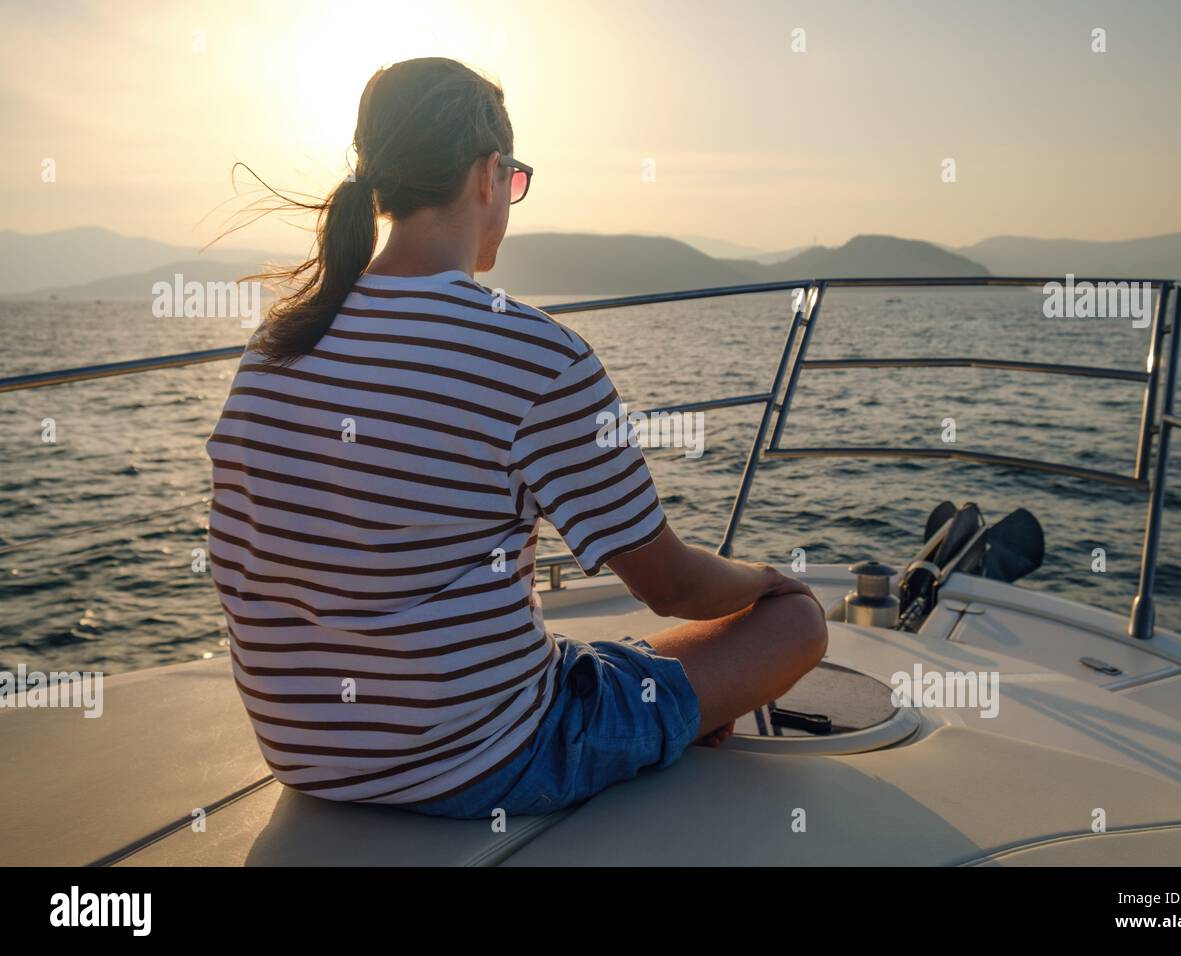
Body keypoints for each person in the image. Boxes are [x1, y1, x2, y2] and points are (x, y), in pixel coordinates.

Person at [206, 57, 827, 819]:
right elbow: (674, 589)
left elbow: (238, 562)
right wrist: (768, 579)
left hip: (303, 754)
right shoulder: (535, 356)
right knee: (793, 623)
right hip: (486, 758)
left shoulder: (276, 344)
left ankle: (658, 704)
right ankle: (673, 711)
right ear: (489, 174)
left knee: (596, 660)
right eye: (516, 178)